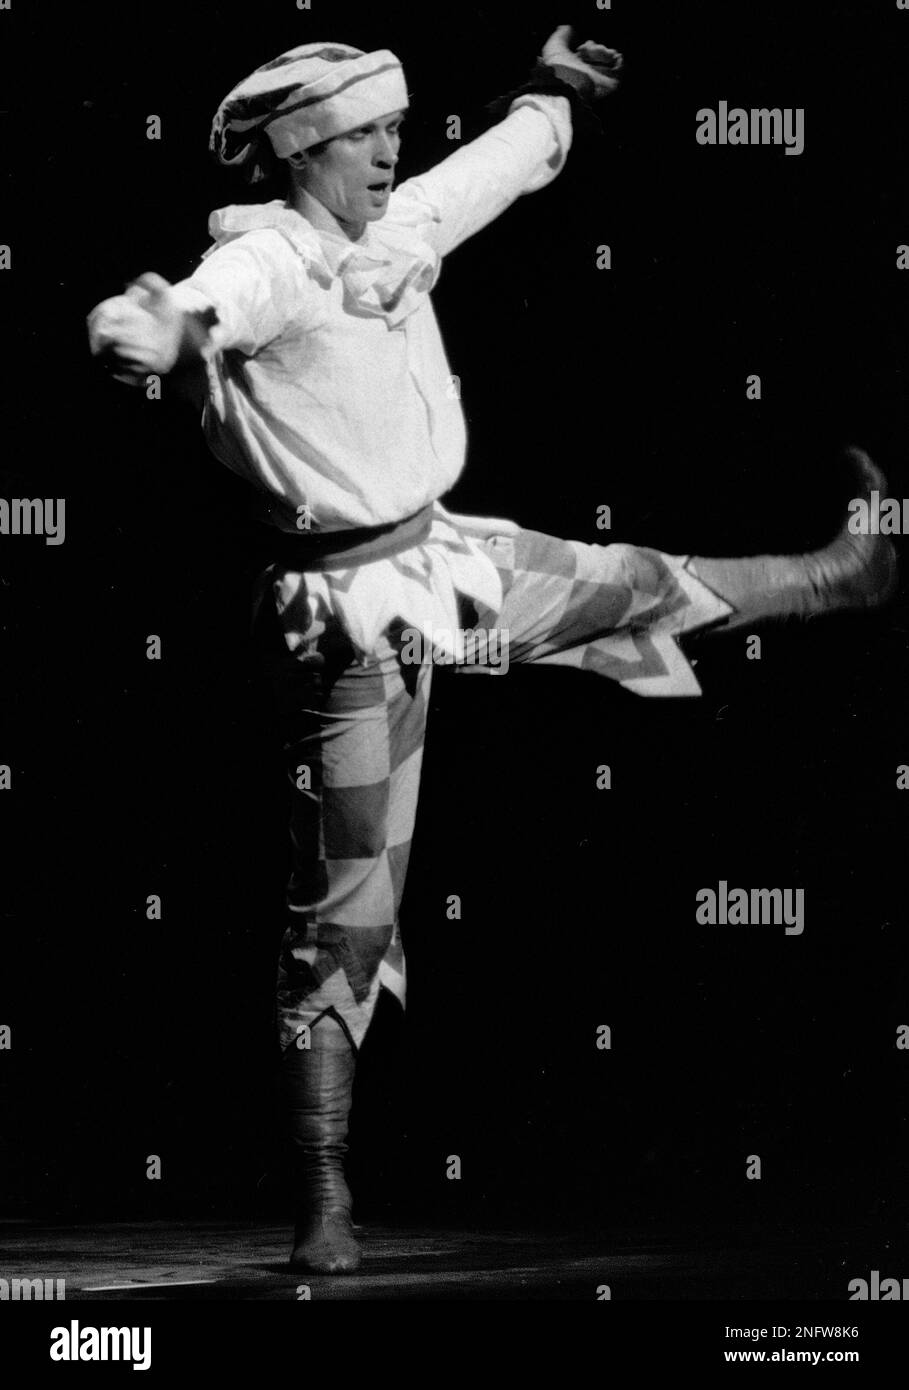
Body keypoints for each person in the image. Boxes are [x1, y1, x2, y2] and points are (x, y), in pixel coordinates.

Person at [86, 26, 897, 1275]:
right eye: (363, 135)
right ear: (305, 149)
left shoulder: (395, 226)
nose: (388, 150)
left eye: (391, 130)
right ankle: (322, 1194)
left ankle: (842, 574)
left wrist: (558, 86)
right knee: (348, 910)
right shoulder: (264, 260)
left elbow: (502, 164)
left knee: (626, 579)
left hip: (449, 564)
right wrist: (154, 333)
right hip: (345, 623)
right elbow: (198, 310)